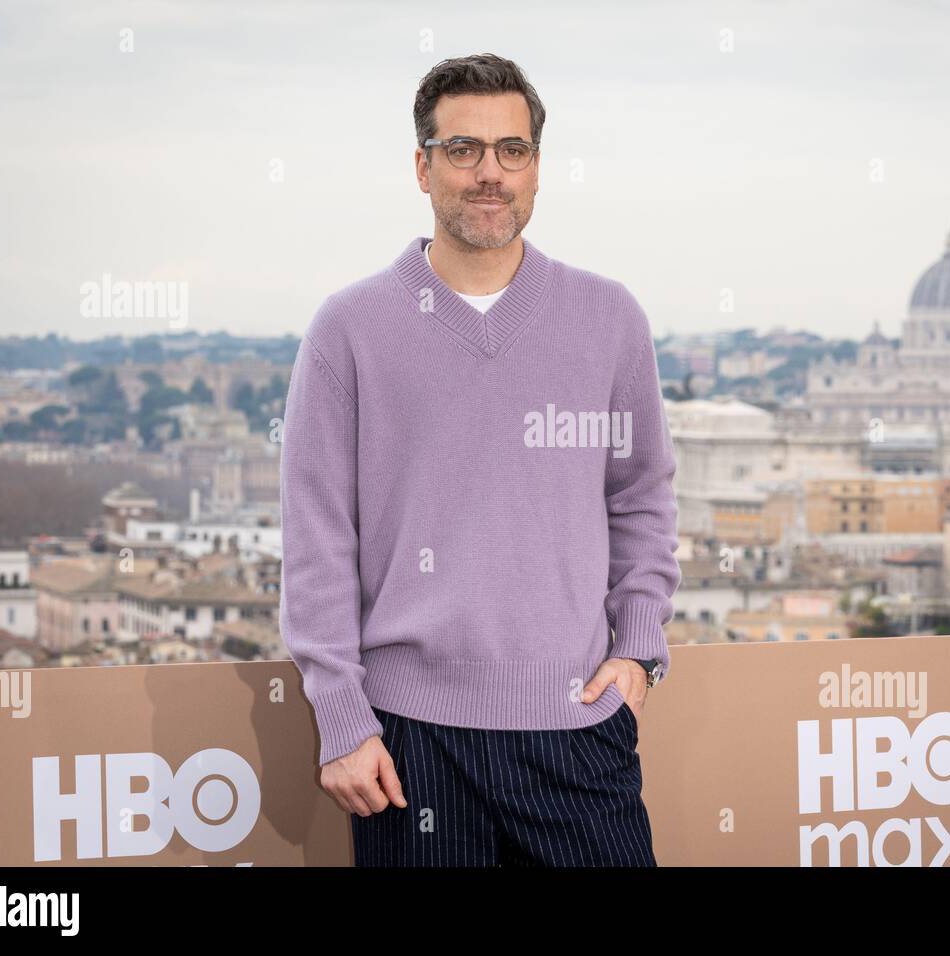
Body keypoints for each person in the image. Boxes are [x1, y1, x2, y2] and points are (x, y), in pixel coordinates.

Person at [279, 52, 681, 866]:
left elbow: (641, 496)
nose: (489, 173)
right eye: (462, 150)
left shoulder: (608, 318)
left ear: (537, 169)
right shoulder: (348, 328)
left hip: (578, 729)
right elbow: (316, 537)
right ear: (422, 167)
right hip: (407, 746)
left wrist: (639, 648)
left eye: (513, 150)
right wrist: (342, 717)